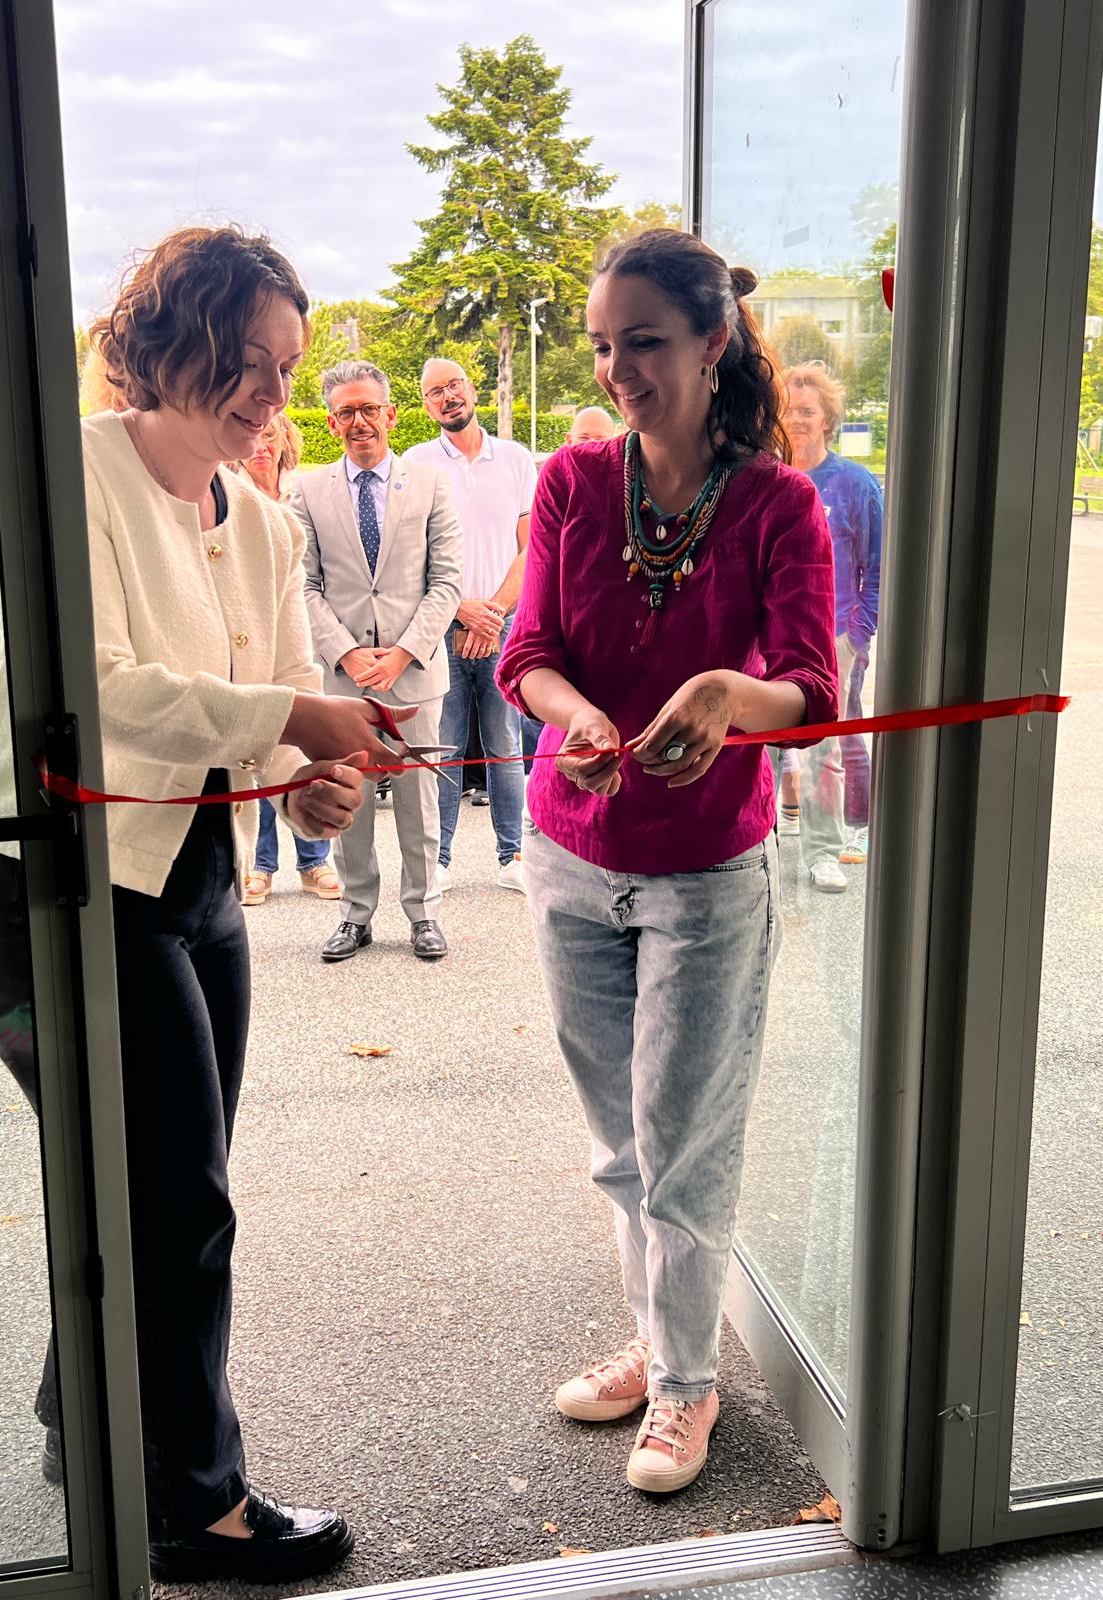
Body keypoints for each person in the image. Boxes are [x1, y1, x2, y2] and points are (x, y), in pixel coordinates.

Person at [0, 225, 407, 1584]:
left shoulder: (263, 521)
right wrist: (298, 719)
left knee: (151, 1181)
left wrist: (310, 784)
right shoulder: (68, 477)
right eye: (246, 357)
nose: (272, 390)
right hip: (54, 879)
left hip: (194, 884)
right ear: (165, 341)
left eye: (286, 366)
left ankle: (75, 1412)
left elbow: (264, 735)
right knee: (177, 1197)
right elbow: (88, 696)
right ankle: (193, 1506)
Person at [497, 228, 839, 1494]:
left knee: (683, 1139)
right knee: (618, 1144)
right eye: (602, 344)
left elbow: (808, 687)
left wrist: (720, 692)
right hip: (572, 854)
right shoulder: (571, 483)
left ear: (711, 343)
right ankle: (660, 1342)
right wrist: (569, 713)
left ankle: (688, 1390)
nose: (616, 368)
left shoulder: (776, 502)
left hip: (705, 872)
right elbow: (524, 651)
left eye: (643, 340)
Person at [291, 360, 461, 961]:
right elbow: (303, 585)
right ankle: (356, 912)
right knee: (345, 792)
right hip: (341, 675)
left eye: (368, 409)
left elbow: (446, 581)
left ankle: (424, 912)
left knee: (418, 798)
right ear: (332, 423)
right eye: (345, 413)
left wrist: (403, 654)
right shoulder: (307, 489)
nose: (358, 422)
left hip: (413, 671)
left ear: (390, 413)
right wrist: (348, 651)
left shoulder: (433, 484)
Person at [404, 360, 536, 894]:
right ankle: (439, 861)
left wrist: (495, 613)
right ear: (427, 406)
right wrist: (460, 610)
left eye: (453, 385)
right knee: (445, 744)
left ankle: (513, 857)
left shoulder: (516, 459)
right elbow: (412, 554)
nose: (447, 397)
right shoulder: (415, 464)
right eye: (434, 391)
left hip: (503, 626)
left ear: (472, 388)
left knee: (506, 743)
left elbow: (533, 548)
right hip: (441, 627)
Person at [782, 363, 882, 885]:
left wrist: (856, 632)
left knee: (825, 744)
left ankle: (825, 850)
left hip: (833, 639)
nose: (796, 421)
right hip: (771, 635)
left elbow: (878, 565)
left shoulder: (854, 484)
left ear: (826, 420)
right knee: (765, 742)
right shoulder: (766, 477)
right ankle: (768, 841)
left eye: (807, 412)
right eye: (789, 411)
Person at [238, 415, 342, 904]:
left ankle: (314, 862)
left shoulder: (302, 494)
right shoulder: (227, 494)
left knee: (299, 748)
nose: (261, 446)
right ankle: (260, 866)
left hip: (305, 635)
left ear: (285, 441)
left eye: (271, 436)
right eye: (254, 437)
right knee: (255, 748)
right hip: (250, 637)